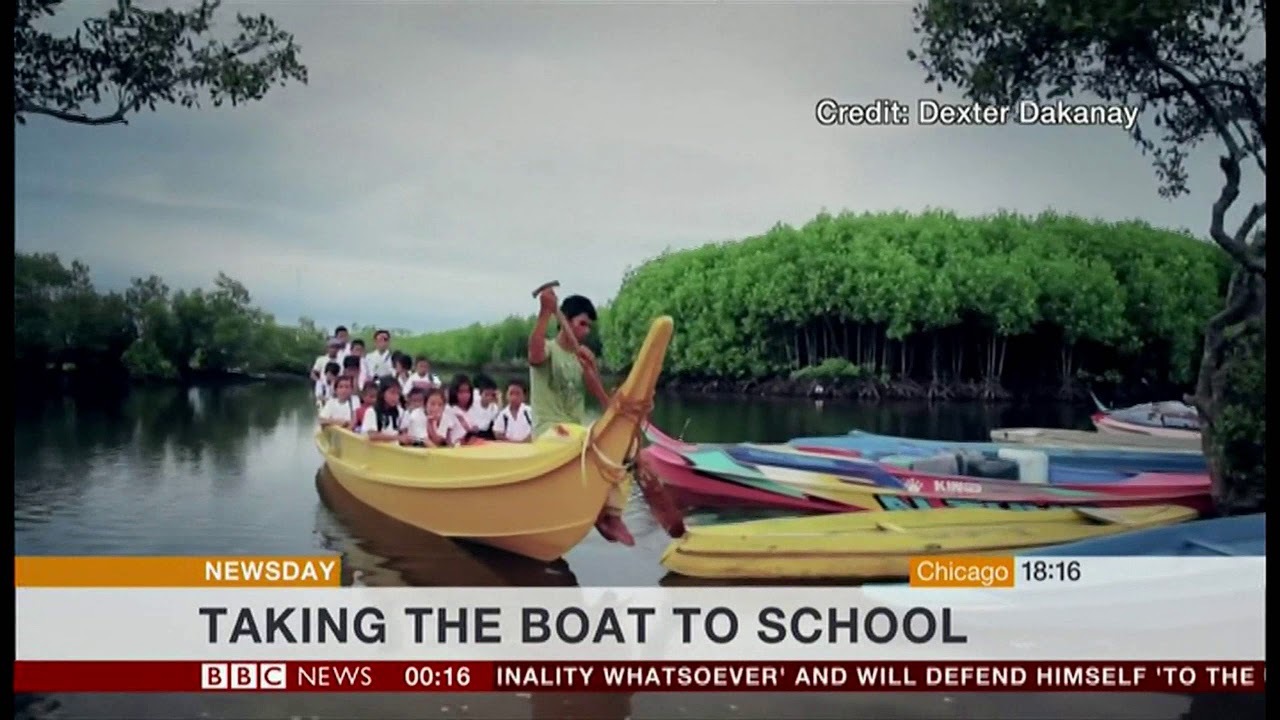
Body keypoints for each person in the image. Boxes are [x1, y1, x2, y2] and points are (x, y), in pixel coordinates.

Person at [528, 288, 633, 545]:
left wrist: (593, 373)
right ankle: (597, 512)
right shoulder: (550, 350)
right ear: (565, 321)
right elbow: (534, 353)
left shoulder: (583, 356)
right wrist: (544, 312)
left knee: (624, 447)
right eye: (581, 324)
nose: (586, 331)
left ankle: (612, 512)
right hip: (550, 431)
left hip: (576, 431)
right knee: (582, 442)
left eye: (589, 326)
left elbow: (600, 397)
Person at [469, 374, 502, 440]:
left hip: (485, 434)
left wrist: (499, 399)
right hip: (471, 432)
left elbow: (499, 419)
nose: (489, 397)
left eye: (491, 395)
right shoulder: (473, 399)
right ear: (480, 393)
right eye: (486, 395)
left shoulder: (494, 407)